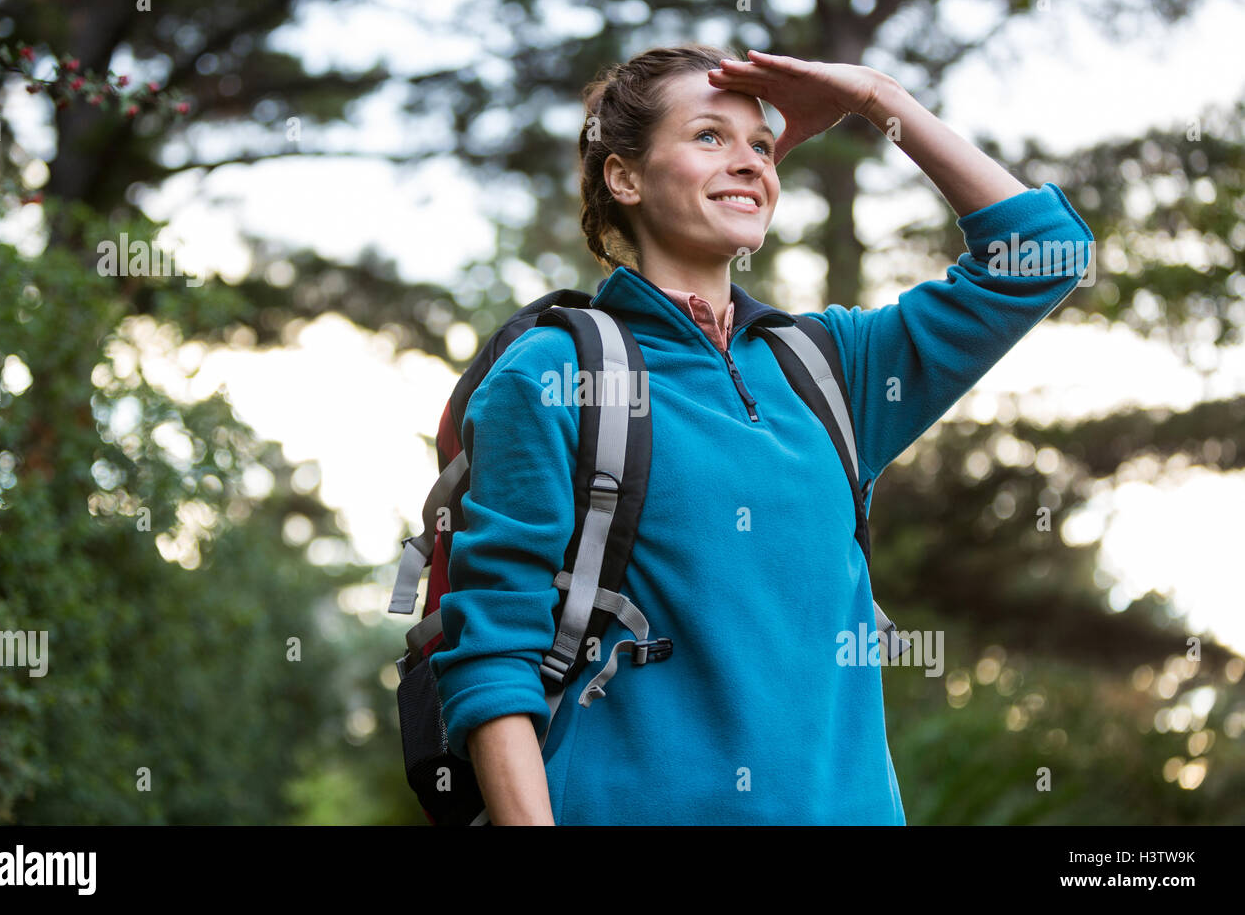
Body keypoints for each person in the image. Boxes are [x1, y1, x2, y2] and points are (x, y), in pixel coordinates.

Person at [429, 43, 1093, 825]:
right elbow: (493, 656)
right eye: (709, 136)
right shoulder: (552, 373)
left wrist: (880, 97)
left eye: (762, 146)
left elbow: (1043, 259)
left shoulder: (829, 368)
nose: (748, 162)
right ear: (626, 177)